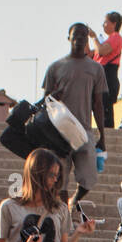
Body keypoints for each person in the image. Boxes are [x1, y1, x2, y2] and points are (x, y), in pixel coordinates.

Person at [40, 24, 106, 207]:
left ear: (87, 39)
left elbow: (98, 104)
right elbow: (45, 101)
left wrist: (102, 136)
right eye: (75, 35)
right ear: (68, 38)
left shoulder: (96, 69)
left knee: (89, 177)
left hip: (84, 130)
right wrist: (53, 97)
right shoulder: (55, 67)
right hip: (59, 132)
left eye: (83, 36)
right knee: (59, 179)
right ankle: (63, 215)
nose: (79, 39)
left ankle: (73, 201)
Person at [88, 13, 122, 128]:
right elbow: (89, 55)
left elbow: (102, 51)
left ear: (114, 24)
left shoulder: (116, 37)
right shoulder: (106, 41)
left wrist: (94, 37)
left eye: (106, 22)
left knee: (105, 112)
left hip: (108, 78)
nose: (103, 25)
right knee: (98, 109)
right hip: (99, 78)